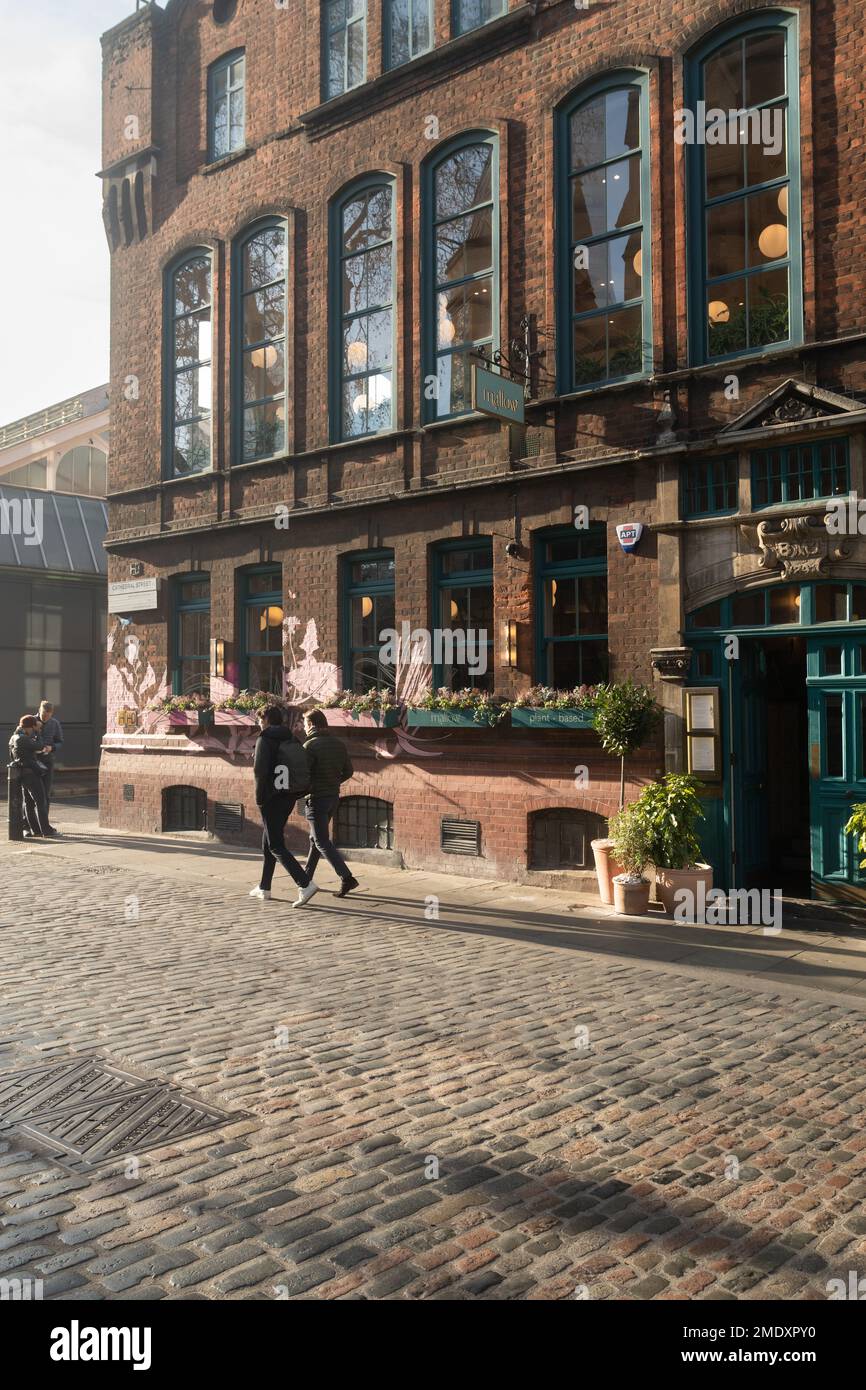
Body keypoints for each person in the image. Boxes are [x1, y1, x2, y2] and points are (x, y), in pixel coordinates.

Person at [251, 706, 318, 907]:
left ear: (267, 720)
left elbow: (260, 772)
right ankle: (264, 887)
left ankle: (304, 883)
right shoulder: (291, 738)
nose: (258, 724)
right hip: (288, 796)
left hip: (270, 798)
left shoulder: (265, 739)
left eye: (260, 720)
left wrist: (260, 798)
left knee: (275, 845)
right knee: (269, 841)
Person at [301, 708, 359, 899]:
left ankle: (346, 877)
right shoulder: (338, 744)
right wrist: (333, 782)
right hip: (332, 797)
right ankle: (305, 879)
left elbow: (303, 775)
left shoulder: (309, 746)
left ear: (311, 725)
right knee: (315, 840)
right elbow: (348, 771)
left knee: (321, 841)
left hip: (316, 798)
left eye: (304, 723)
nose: (303, 727)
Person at [8, 715, 54, 839]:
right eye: (34, 728)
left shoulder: (14, 737)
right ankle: (46, 830)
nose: (35, 730)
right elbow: (40, 745)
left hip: (22, 773)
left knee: (29, 803)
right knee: (41, 801)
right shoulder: (23, 739)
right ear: (29, 727)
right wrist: (38, 733)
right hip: (31, 774)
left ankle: (36, 830)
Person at [37, 700, 63, 829]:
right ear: (39, 710)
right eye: (43, 714)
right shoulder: (31, 721)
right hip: (33, 761)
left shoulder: (55, 723)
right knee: (31, 795)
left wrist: (51, 748)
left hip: (48, 761)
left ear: (51, 713)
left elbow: (59, 742)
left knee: (46, 794)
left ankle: (44, 823)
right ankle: (28, 824)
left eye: (47, 715)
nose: (44, 717)